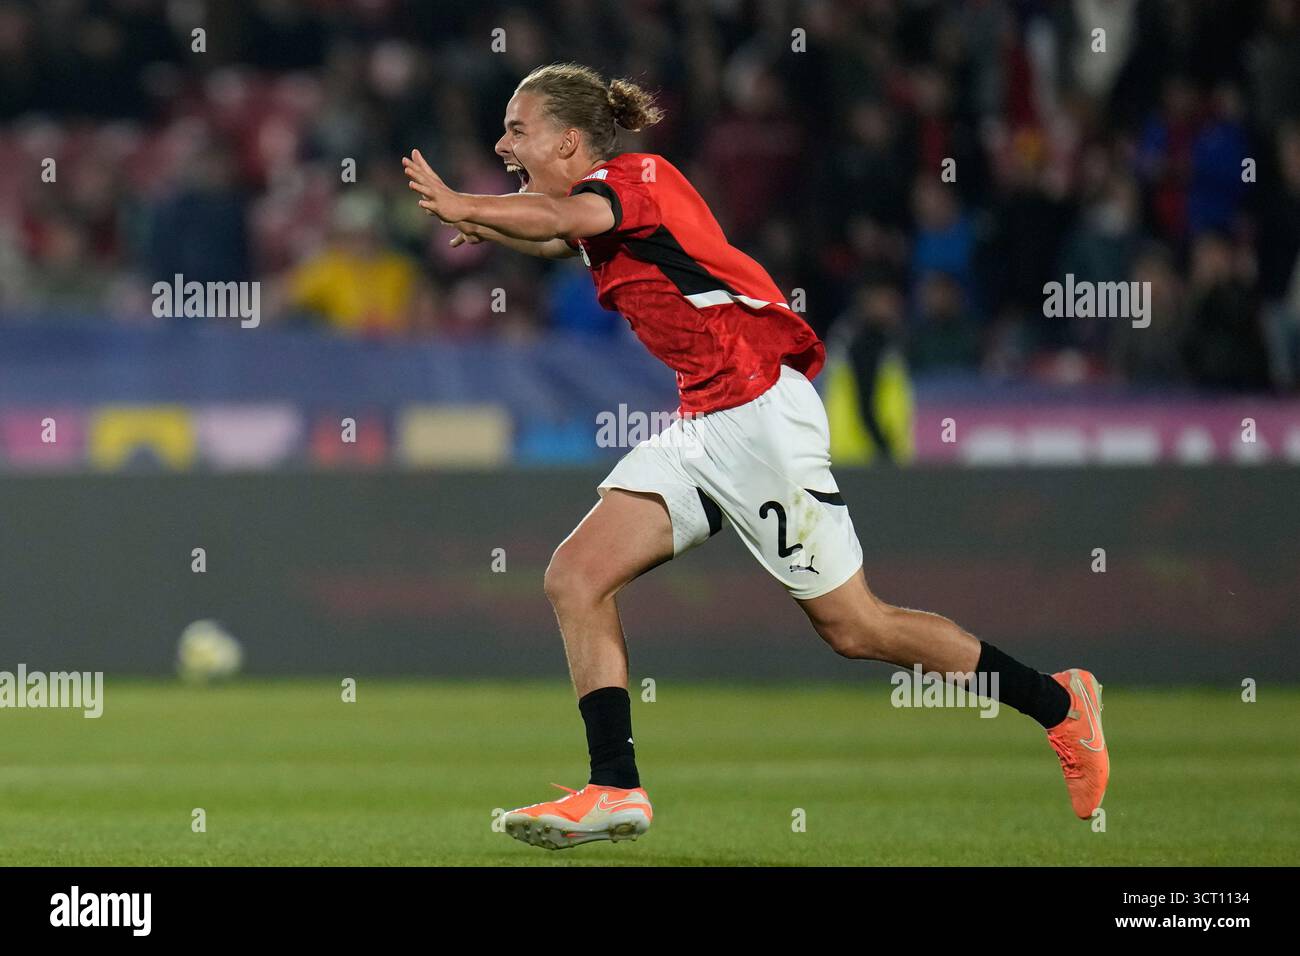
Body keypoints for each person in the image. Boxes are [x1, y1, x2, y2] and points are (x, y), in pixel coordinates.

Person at [402, 62, 1108, 850]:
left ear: (568, 140)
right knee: (575, 575)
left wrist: (469, 205)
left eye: (516, 128)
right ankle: (615, 787)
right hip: (706, 421)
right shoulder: (595, 206)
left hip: (758, 412)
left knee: (856, 627)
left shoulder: (635, 177)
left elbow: (564, 222)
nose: (503, 142)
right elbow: (557, 231)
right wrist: (490, 222)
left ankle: (1059, 703)